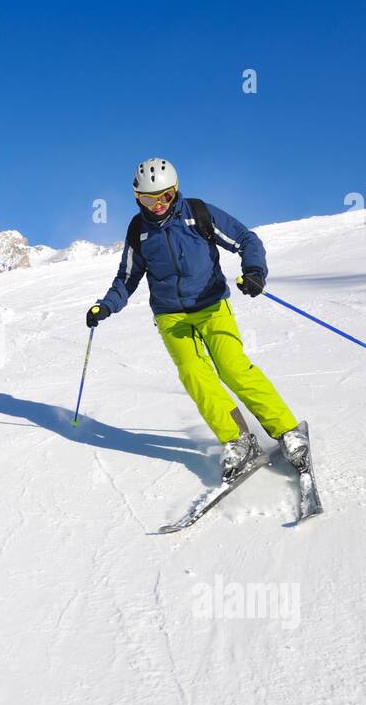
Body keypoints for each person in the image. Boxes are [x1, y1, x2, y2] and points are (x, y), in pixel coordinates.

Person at [86, 157, 307, 481]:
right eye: (149, 198)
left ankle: (287, 430)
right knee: (194, 374)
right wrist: (106, 305)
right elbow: (127, 277)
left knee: (232, 367)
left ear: (175, 191)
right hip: (171, 317)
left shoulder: (197, 214)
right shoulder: (138, 232)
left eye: (165, 196)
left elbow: (247, 239)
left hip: (212, 306)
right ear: (137, 197)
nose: (159, 205)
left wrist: (254, 272)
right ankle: (237, 439)